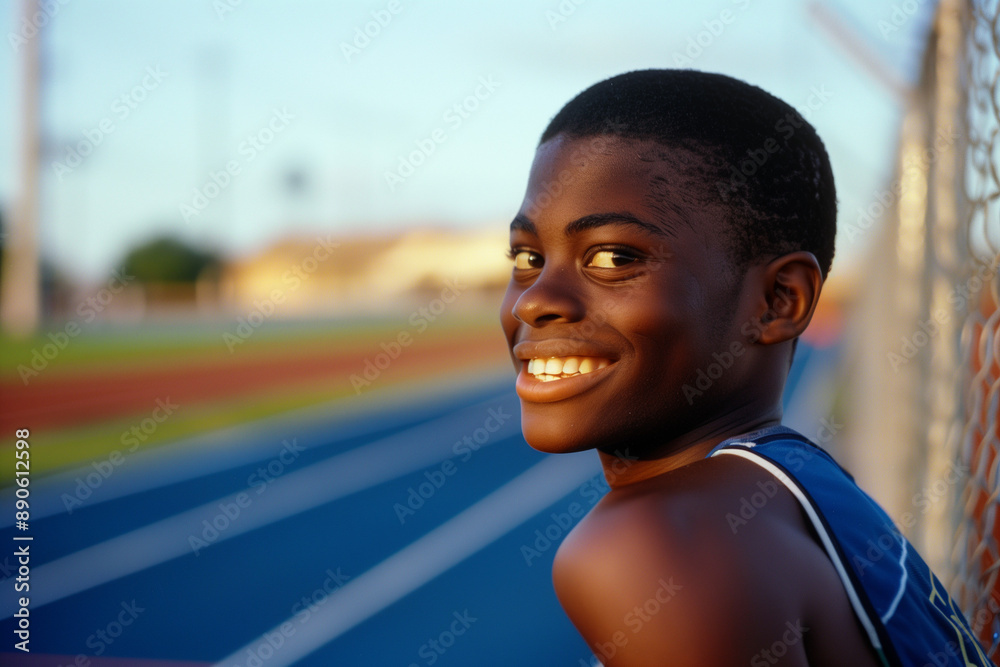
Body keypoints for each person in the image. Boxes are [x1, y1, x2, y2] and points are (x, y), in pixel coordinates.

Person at [499, 69, 993, 667]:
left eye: (612, 256)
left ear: (778, 300)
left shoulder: (657, 544)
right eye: (528, 257)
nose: (533, 300)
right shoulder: (797, 486)